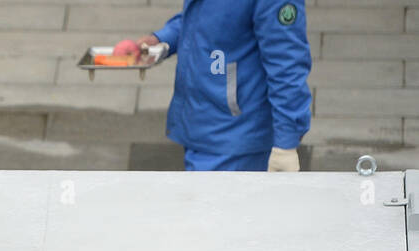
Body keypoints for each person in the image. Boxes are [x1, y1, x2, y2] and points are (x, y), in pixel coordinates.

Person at [130, 0, 311, 171]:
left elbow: (287, 64)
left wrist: (286, 142)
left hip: (237, 139)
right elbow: (204, 18)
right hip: (202, 128)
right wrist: (162, 39)